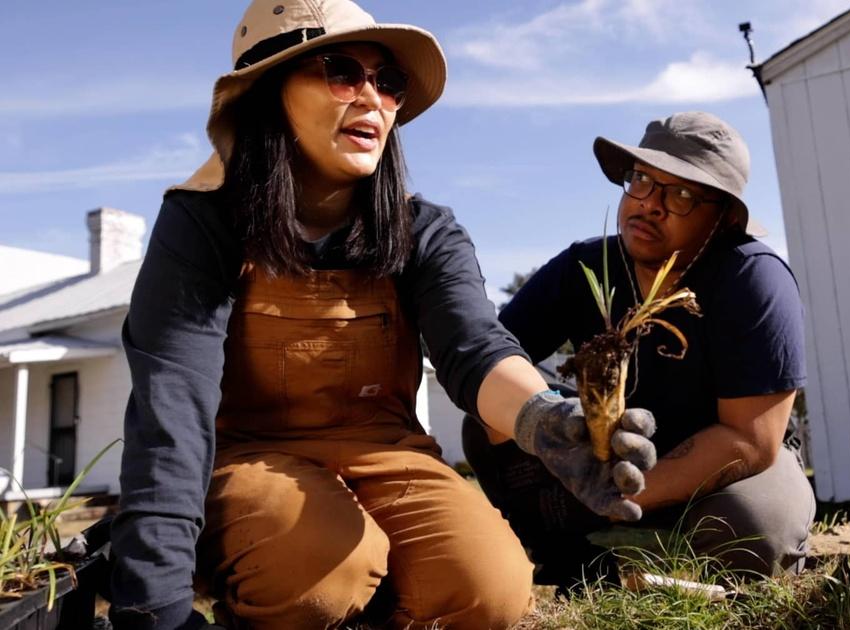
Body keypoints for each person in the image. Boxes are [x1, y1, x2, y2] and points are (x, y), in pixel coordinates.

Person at [107, 1, 656, 628]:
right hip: (250, 460)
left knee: (491, 587)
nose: (372, 96)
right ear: (267, 92)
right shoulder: (203, 224)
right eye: (342, 71)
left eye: (388, 82)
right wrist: (152, 606)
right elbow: (171, 412)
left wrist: (542, 419)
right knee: (318, 568)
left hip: (389, 455)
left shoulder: (425, 230)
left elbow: (475, 348)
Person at [463, 111, 816, 589]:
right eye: (642, 180)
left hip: (726, 463)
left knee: (754, 523)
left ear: (724, 217)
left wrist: (614, 496)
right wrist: (552, 433)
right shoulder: (584, 267)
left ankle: (643, 540)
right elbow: (490, 362)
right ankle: (569, 556)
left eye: (683, 193)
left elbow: (750, 440)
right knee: (491, 421)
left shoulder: (752, 278)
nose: (650, 204)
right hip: (610, 448)